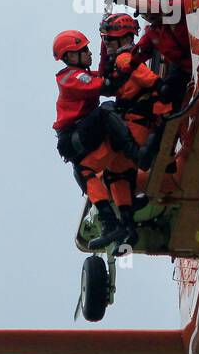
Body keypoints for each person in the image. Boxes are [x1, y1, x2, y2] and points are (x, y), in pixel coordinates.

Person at [51, 28, 157, 249]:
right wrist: (127, 65)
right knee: (107, 110)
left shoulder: (80, 74)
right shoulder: (71, 77)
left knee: (99, 171)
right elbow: (106, 86)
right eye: (84, 50)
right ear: (71, 56)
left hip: (80, 137)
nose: (88, 53)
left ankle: (118, 224)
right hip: (74, 136)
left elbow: (102, 75)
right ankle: (136, 154)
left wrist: (104, 45)